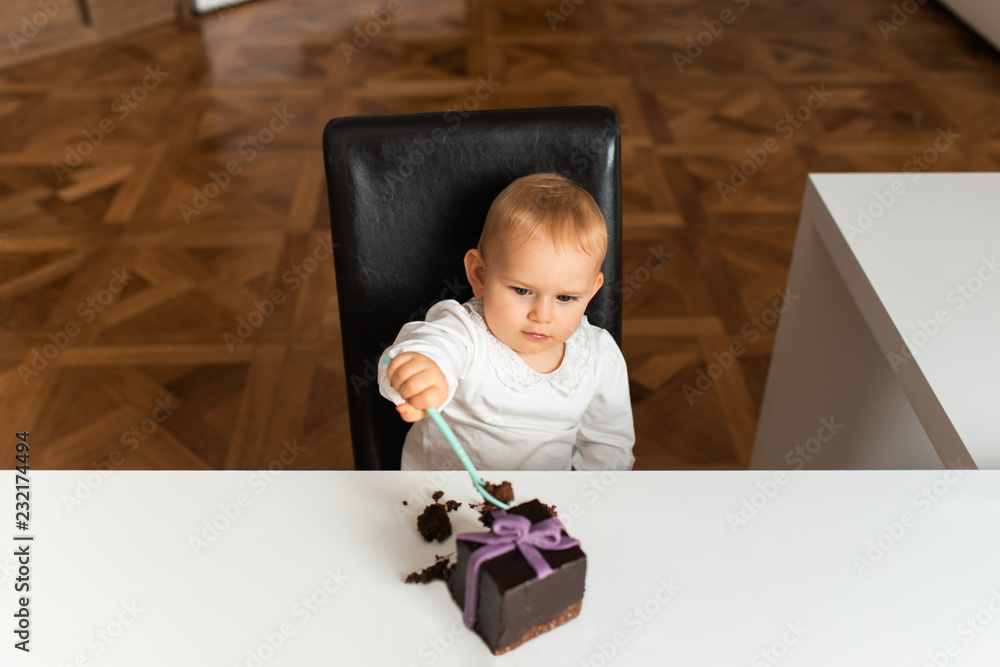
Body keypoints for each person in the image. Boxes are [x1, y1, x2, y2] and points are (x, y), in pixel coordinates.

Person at [378, 173, 635, 471]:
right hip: (446, 501)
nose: (542, 315)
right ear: (480, 276)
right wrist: (424, 372)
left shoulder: (600, 356)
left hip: (545, 509)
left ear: (591, 291)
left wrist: (589, 499)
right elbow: (427, 349)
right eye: (522, 291)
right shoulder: (465, 332)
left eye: (565, 298)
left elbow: (609, 447)